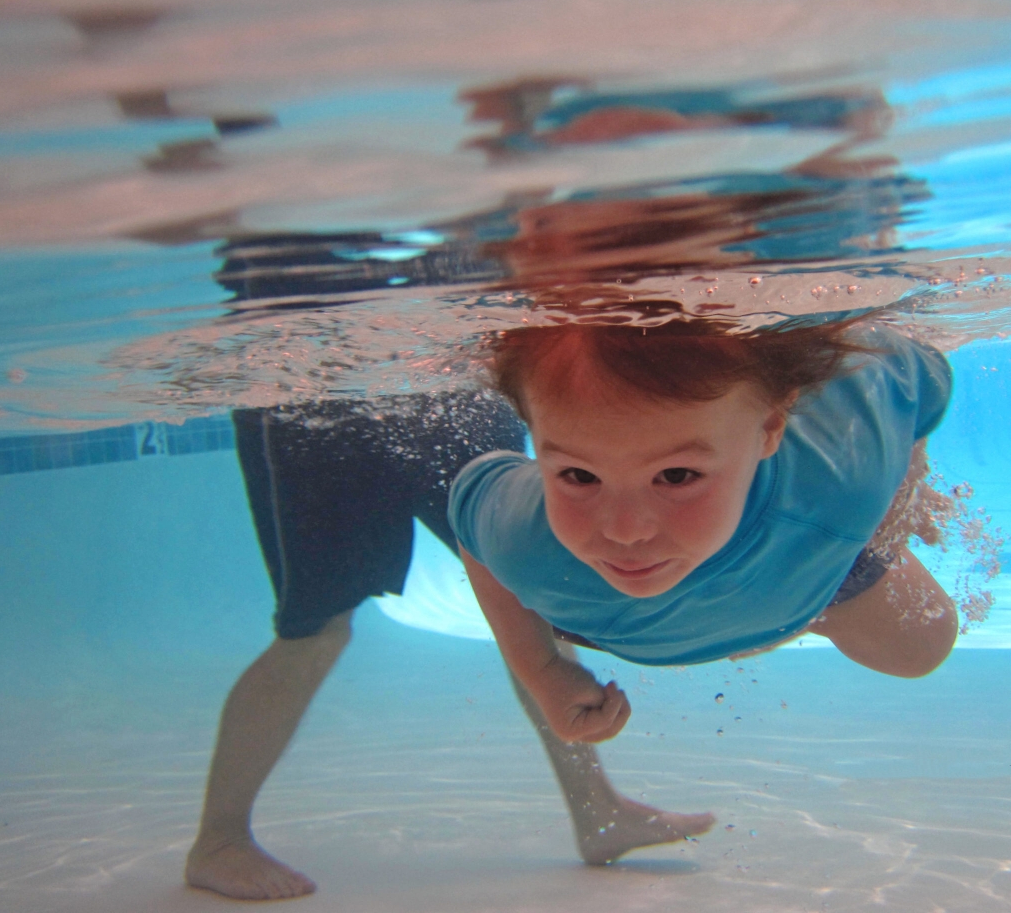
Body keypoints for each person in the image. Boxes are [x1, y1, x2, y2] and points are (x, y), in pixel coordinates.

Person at [184, 393, 713, 901]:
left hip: (451, 388)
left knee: (522, 586)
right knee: (315, 628)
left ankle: (599, 812)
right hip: (319, 400)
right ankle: (219, 842)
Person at [449, 317, 960, 748]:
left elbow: (918, 372)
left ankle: (793, 617)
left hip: (805, 564)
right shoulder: (531, 544)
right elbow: (469, 510)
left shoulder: (837, 479)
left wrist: (903, 492)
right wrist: (541, 670)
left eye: (676, 476)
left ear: (768, 430)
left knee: (923, 646)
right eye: (579, 475)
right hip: (601, 611)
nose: (625, 531)